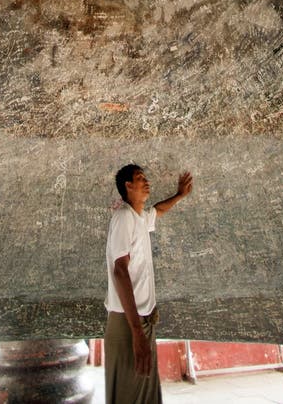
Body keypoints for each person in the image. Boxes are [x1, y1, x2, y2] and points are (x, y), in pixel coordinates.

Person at [104, 163, 193, 404]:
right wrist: (136, 332)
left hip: (138, 321)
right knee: (132, 396)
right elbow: (120, 271)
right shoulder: (123, 217)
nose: (146, 182)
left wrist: (180, 195)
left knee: (144, 395)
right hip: (128, 323)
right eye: (140, 178)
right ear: (128, 186)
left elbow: (158, 211)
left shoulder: (139, 218)